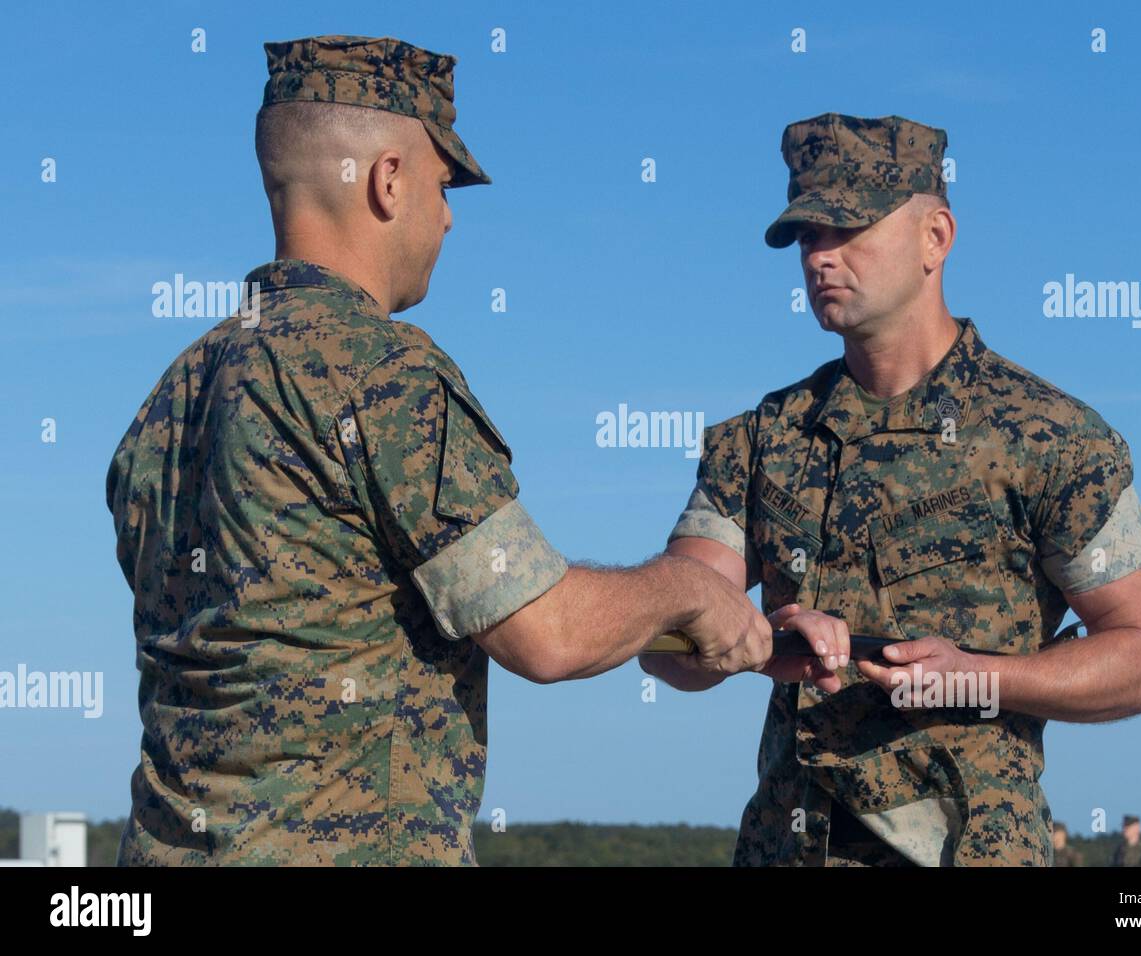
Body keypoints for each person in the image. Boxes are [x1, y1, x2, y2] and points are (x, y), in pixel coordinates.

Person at [105, 35, 799, 866]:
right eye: (442, 183)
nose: (449, 215)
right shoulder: (379, 367)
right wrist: (687, 590)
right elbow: (546, 632)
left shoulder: (171, 394)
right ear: (387, 180)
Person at [641, 113, 1141, 866]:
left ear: (936, 237)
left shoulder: (1049, 437)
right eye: (806, 236)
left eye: (848, 228)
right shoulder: (759, 441)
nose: (821, 257)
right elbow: (664, 639)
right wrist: (760, 644)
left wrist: (981, 678)